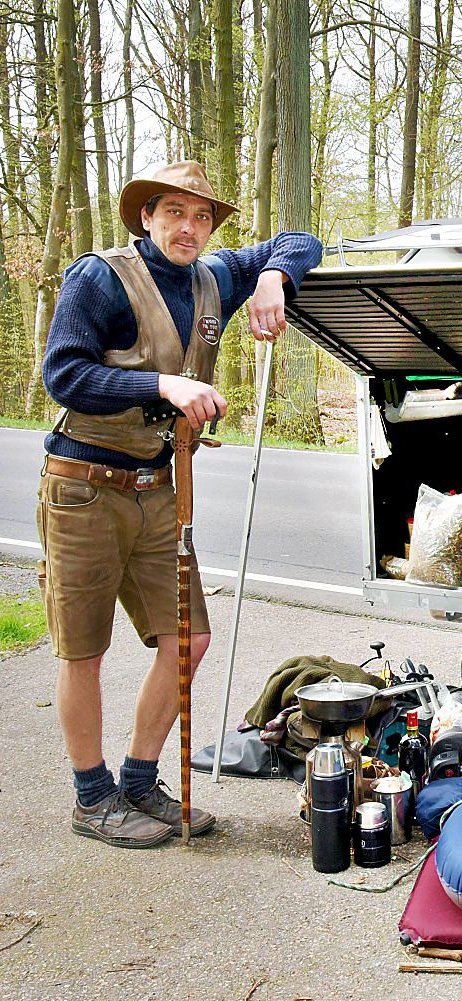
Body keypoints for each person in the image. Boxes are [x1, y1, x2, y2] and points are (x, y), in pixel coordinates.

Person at [38, 161, 323, 848]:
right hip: (82, 484)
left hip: (155, 485)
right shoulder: (98, 277)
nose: (188, 227)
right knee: (84, 649)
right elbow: (65, 373)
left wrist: (271, 279)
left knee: (188, 636)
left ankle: (139, 780)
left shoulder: (212, 278)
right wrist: (162, 384)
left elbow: (301, 239)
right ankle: (91, 795)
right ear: (146, 216)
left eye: (201, 216)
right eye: (173, 212)